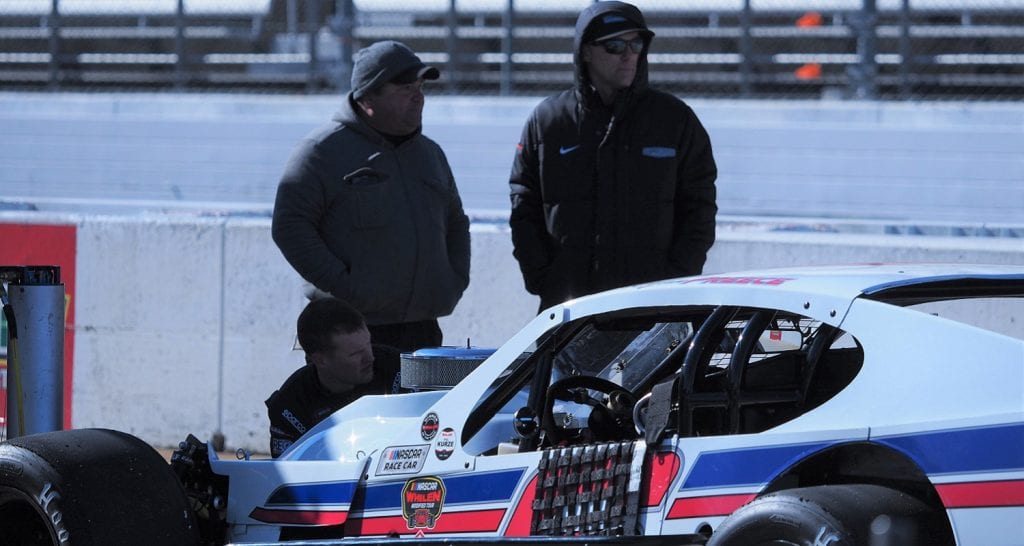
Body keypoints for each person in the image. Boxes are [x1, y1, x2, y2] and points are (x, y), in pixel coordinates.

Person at [509, 1, 718, 312]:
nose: (628, 55)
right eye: (615, 45)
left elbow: (699, 207)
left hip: (653, 307)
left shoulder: (675, 120)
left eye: (636, 44)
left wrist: (677, 277)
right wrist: (544, 277)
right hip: (570, 305)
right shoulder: (549, 122)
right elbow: (524, 203)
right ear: (585, 52)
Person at [272, 40, 471, 353]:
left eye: (420, 87)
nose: (418, 96)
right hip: (347, 333)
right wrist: (345, 288)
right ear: (367, 97)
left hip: (422, 327)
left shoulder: (430, 154)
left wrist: (453, 280)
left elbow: (456, 222)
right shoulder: (321, 152)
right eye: (405, 89)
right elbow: (290, 227)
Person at [266, 297, 402, 458]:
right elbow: (286, 468)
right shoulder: (291, 407)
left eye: (368, 344)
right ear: (321, 360)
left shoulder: (400, 370)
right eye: (355, 354)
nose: (370, 358)